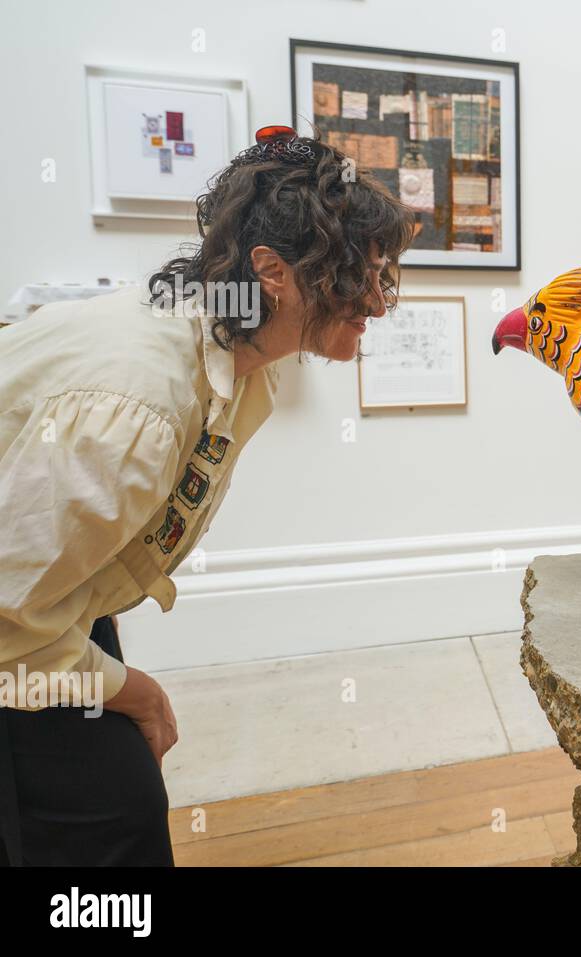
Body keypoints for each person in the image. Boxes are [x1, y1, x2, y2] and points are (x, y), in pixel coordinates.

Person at [0, 127, 416, 865]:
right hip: (15, 624)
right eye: (357, 276)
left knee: (118, 799)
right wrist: (139, 693)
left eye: (383, 275)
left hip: (44, 604)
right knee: (111, 815)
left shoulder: (230, 350)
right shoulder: (139, 403)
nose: (377, 304)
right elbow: (7, 627)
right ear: (272, 271)